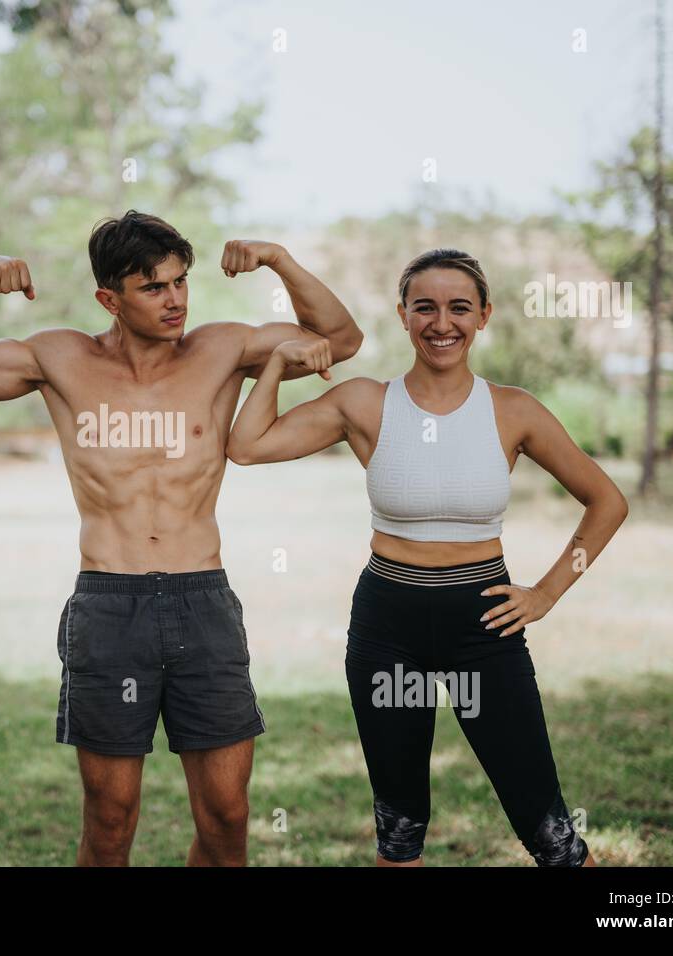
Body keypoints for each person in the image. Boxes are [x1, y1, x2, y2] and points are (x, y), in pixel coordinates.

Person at [0, 210, 364, 865]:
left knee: (227, 817)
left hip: (202, 600)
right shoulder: (61, 357)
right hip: (108, 602)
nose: (176, 299)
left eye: (181, 282)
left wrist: (278, 259)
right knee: (110, 818)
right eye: (153, 287)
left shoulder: (223, 349)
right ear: (110, 299)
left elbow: (341, 338)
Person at [226, 247, 628, 866]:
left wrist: (546, 592)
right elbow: (247, 445)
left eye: (460, 308)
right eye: (426, 308)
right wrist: (277, 362)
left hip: (485, 624)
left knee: (549, 831)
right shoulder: (363, 402)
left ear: (484, 316)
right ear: (404, 316)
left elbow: (606, 501)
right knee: (401, 827)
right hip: (389, 626)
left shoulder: (512, 409)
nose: (443, 323)